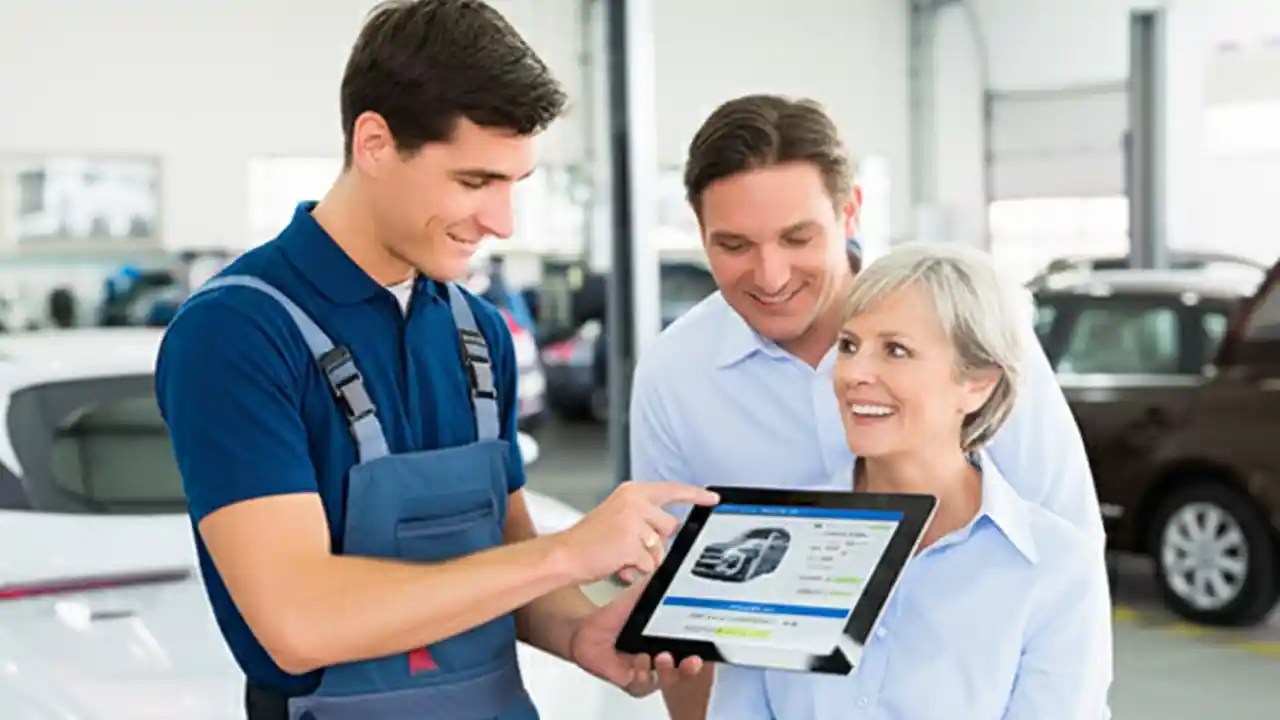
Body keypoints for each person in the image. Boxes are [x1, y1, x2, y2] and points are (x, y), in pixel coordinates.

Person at [155, 2, 714, 719]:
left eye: (516, 184)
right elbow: (297, 622)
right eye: (475, 181)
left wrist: (579, 631)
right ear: (375, 143)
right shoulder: (236, 334)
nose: (502, 222)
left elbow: (504, 558)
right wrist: (570, 551)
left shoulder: (477, 335)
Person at [628, 94, 1105, 719]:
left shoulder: (968, 332)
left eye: (797, 237)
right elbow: (677, 620)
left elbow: (1062, 552)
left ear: (848, 211)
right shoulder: (675, 378)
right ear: (699, 232)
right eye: (735, 245)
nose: (770, 275)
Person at [708, 243, 1113, 718]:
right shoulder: (775, 536)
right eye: (849, 345)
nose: (854, 373)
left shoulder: (1056, 568)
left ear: (978, 383)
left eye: (896, 350)